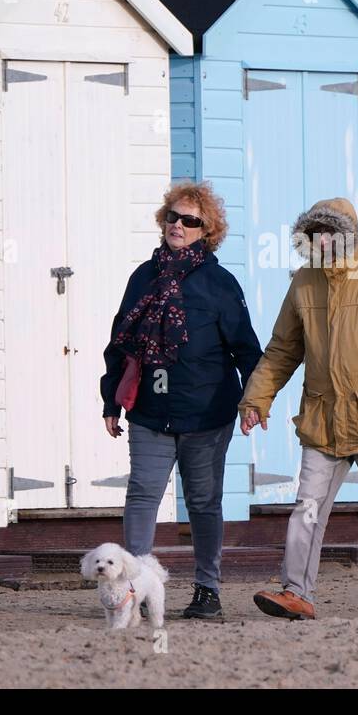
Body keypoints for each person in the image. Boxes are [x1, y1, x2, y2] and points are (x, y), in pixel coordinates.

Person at [238, 197, 358, 620]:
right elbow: (281, 351)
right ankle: (296, 594)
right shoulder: (304, 282)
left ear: (348, 235)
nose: (322, 241)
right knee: (306, 510)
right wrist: (256, 398)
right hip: (322, 421)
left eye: (330, 233)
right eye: (314, 234)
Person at [101, 181, 262, 620]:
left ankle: (207, 590)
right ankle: (131, 588)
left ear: (205, 231)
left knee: (204, 502)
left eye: (190, 220)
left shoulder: (220, 283)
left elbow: (246, 349)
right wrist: (110, 399)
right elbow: (121, 341)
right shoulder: (143, 276)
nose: (178, 224)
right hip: (150, 411)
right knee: (142, 494)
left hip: (207, 413)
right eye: (173, 216)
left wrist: (255, 401)